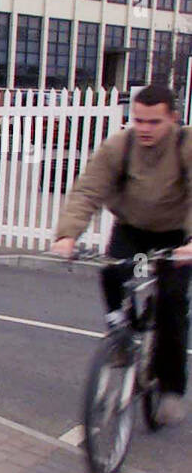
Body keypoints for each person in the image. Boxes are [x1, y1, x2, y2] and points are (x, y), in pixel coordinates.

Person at [51, 83, 192, 425]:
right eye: (138, 120)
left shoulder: (187, 145)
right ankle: (119, 329)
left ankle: (171, 387)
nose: (143, 128)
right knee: (112, 271)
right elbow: (88, 189)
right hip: (132, 227)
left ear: (173, 118)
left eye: (153, 122)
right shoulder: (120, 146)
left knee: (172, 303)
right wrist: (68, 234)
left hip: (178, 234)